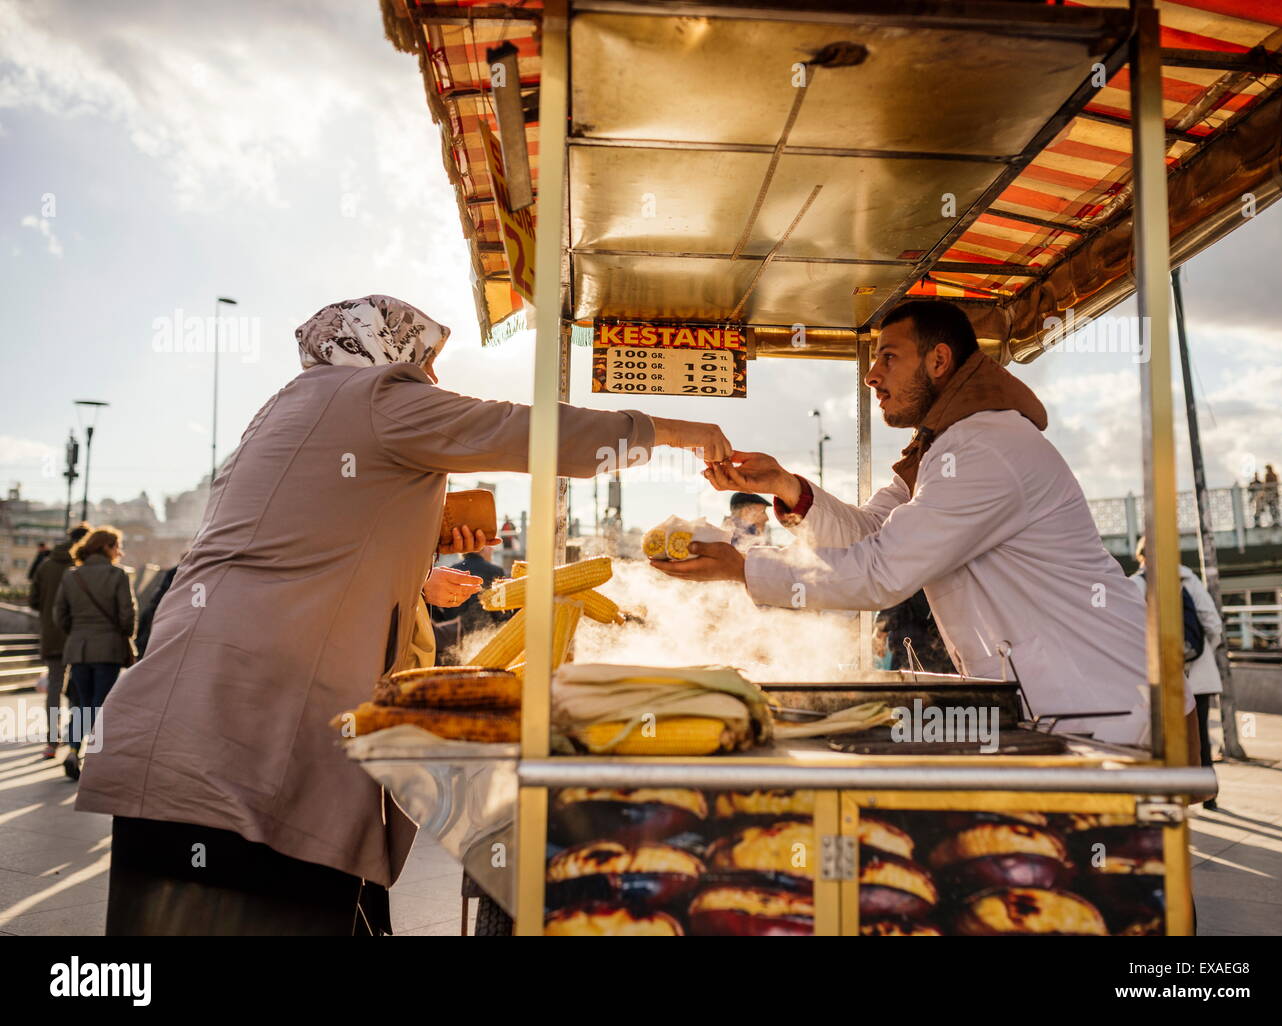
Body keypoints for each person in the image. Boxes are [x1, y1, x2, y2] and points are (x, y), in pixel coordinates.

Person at [75, 294, 730, 936]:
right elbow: (526, 430)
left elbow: (295, 540)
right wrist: (671, 434)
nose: (432, 380)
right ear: (385, 349)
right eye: (424, 361)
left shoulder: (289, 409)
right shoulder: (376, 397)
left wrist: (422, 555)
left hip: (184, 732)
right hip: (255, 749)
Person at [657, 299, 1198, 750]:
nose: (872, 375)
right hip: (1061, 705)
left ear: (939, 360)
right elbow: (870, 534)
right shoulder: (945, 449)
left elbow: (880, 572)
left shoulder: (987, 447)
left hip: (1102, 704)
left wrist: (744, 567)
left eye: (888, 358)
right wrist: (786, 488)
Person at [1130, 538, 1222, 807]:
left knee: (1157, 738)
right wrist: (1196, 656)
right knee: (1200, 738)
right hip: (1199, 675)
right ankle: (1209, 796)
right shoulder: (1187, 578)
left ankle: (1164, 795)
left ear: (1140, 556)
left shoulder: (1136, 584)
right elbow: (1213, 623)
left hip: (1157, 678)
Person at [54, 526, 137, 781]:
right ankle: (94, 754)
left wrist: (78, 631)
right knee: (101, 703)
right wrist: (123, 634)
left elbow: (60, 615)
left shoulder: (72, 576)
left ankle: (73, 749)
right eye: (116, 546)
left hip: (78, 649)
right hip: (108, 649)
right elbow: (127, 614)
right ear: (106, 547)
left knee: (81, 703)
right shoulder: (117, 575)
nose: (119, 552)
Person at [29, 523, 91, 759]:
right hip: (80, 636)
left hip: (52, 634)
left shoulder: (47, 565)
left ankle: (51, 741)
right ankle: (74, 735)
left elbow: (34, 599)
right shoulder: (82, 565)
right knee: (80, 686)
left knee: (54, 686)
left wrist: (48, 612)